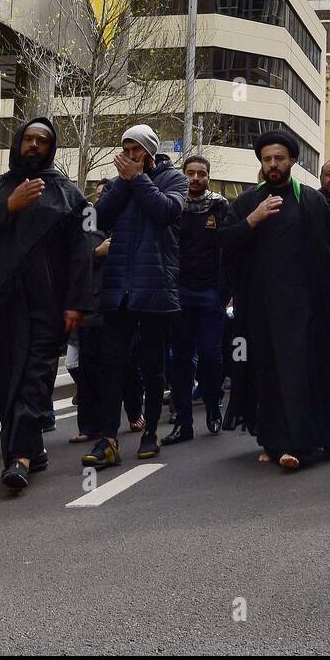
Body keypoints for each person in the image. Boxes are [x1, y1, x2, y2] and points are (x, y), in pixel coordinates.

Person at [218, 130, 330, 468]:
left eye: (279, 159)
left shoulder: (310, 202)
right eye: (267, 159)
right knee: (266, 373)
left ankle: (297, 443)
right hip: (258, 308)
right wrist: (253, 220)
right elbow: (225, 242)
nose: (273, 164)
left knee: (300, 372)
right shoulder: (244, 202)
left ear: (292, 161)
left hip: (305, 309)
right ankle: (274, 441)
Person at [0, 117, 93, 489]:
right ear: (18, 143)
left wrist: (76, 304)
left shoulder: (69, 195)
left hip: (47, 306)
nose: (34, 145)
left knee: (35, 382)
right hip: (2, 305)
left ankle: (18, 458)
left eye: (43, 140)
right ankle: (31, 450)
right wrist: (8, 205)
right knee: (6, 384)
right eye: (29, 139)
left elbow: (81, 254)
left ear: (51, 148)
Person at [81, 125, 187, 468]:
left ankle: (151, 430)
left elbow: (165, 212)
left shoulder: (173, 180)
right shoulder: (118, 184)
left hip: (154, 286)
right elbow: (101, 218)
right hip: (119, 288)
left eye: (136, 149)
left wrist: (139, 178)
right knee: (112, 363)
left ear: (150, 152)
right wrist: (125, 182)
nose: (129, 156)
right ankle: (107, 439)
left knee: (152, 366)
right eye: (126, 149)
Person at [167, 154, 230, 443]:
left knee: (210, 353)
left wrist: (227, 290)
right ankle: (183, 422)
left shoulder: (220, 205)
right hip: (179, 292)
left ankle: (213, 403)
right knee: (180, 358)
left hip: (210, 292)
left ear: (208, 176)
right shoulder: (173, 206)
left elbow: (230, 247)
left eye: (200, 173)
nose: (195, 178)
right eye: (190, 173)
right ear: (184, 174)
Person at [69, 181, 111, 445]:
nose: (101, 199)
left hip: (117, 304)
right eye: (98, 195)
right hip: (90, 307)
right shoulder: (87, 222)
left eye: (107, 194)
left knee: (119, 368)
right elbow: (73, 258)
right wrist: (97, 253)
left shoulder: (123, 219)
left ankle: (125, 417)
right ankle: (89, 425)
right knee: (85, 368)